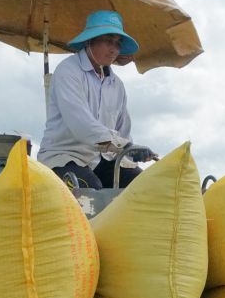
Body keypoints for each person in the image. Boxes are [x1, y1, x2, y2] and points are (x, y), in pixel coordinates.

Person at [37, 10, 156, 189]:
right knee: (92, 189)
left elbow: (123, 131)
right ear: (90, 40)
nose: (114, 49)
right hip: (64, 156)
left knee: (144, 187)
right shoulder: (68, 71)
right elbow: (82, 126)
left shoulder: (117, 85)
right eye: (108, 41)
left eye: (118, 43)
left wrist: (132, 154)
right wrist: (125, 146)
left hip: (101, 159)